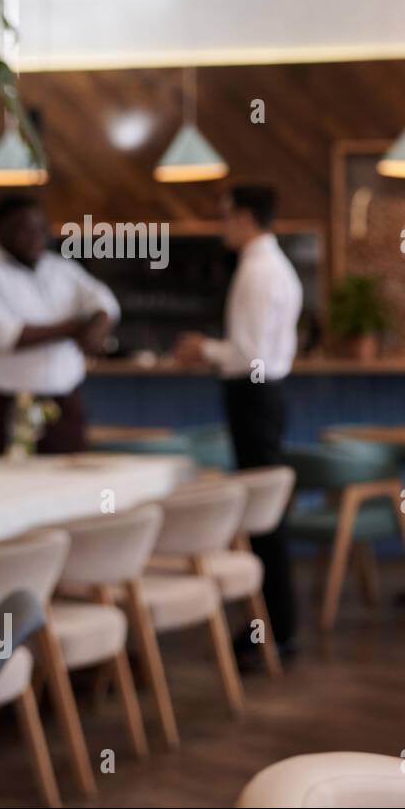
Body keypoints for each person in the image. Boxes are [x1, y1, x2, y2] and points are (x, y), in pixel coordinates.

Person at [175, 184, 303, 660]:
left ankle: (270, 633)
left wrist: (202, 349)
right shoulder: (277, 265)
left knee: (261, 518)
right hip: (266, 395)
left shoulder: (256, 270)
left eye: (224, 215)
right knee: (264, 514)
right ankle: (273, 628)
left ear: (246, 216)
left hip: (253, 396)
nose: (220, 223)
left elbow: (248, 353)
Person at [0, 194, 119, 454]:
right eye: (23, 228)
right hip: (4, 406)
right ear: (0, 232)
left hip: (64, 405)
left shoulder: (61, 269)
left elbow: (105, 303)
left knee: (73, 487)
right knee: (6, 487)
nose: (35, 236)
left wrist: (96, 326)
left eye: (40, 228)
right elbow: (3, 336)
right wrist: (74, 328)